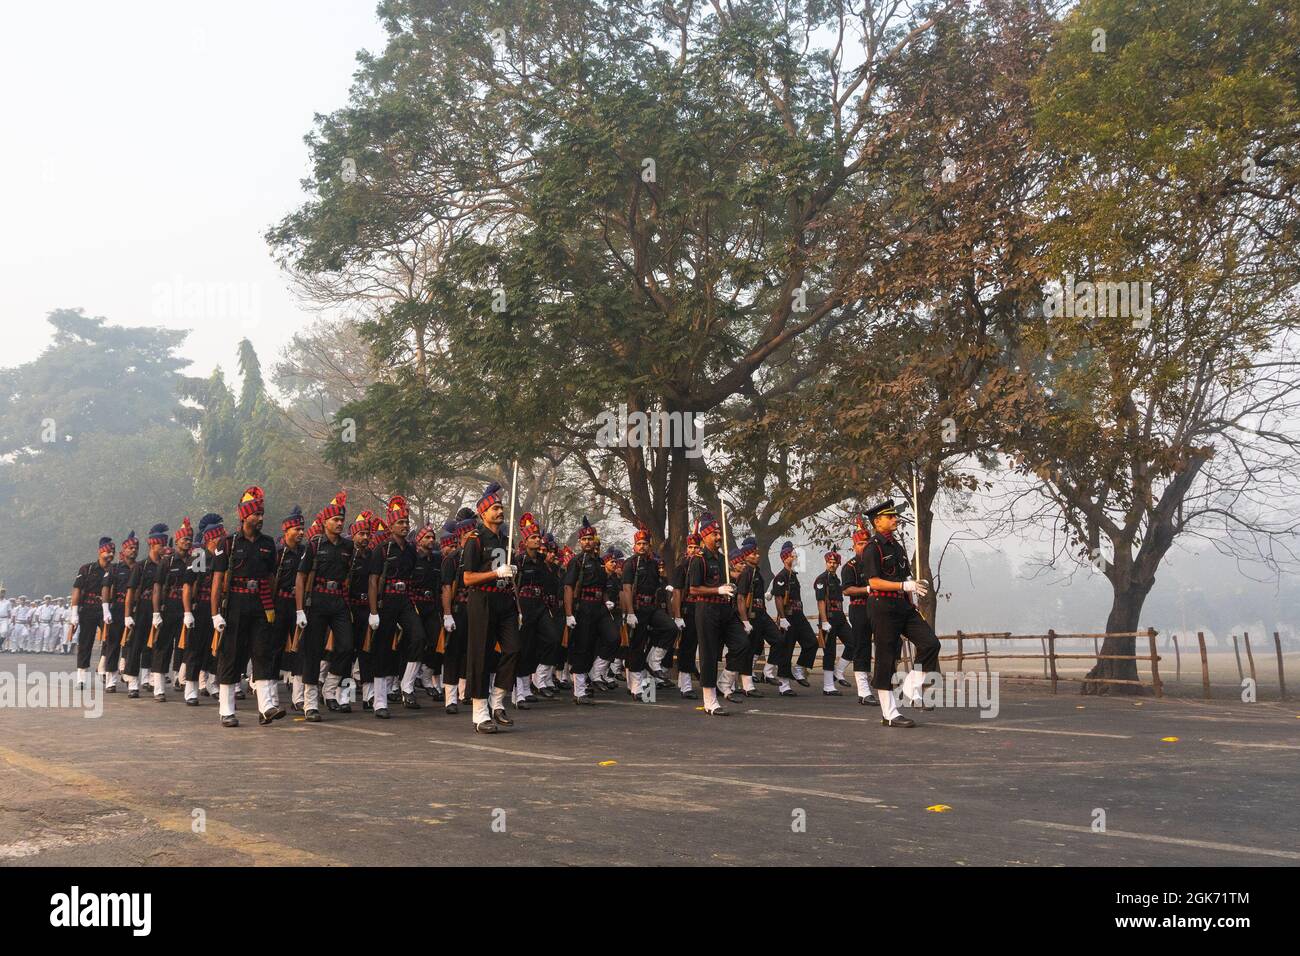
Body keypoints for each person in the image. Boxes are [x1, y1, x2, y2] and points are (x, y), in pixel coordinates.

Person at [862, 500, 941, 728]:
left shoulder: (896, 547)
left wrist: (912, 588)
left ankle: (910, 686)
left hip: (903, 606)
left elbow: (904, 576)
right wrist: (903, 587)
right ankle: (889, 713)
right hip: (883, 607)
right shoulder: (872, 547)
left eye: (895, 516)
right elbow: (874, 581)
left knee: (930, 643)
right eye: (890, 516)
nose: (895, 519)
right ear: (878, 522)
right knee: (886, 658)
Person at [211, 486, 281, 728]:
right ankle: (226, 710)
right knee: (231, 656)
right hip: (235, 605)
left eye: (262, 514)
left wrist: (271, 606)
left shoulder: (269, 543)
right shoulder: (228, 543)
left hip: (260, 604)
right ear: (244, 515)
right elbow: (217, 581)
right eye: (256, 514)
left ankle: (265, 707)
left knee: (262, 653)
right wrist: (215, 614)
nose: (260, 518)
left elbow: (272, 578)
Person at [460, 481, 521, 733]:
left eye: (501, 507)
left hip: (505, 600)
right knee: (481, 656)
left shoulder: (506, 541)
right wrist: (495, 573)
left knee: (514, 649)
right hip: (482, 600)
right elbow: (467, 578)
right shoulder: (474, 540)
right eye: (494, 508)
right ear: (483, 513)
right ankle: (480, 713)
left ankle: (498, 701)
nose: (499, 511)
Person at [686, 511, 752, 716]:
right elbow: (693, 589)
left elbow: (726, 582)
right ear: (705, 536)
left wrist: (731, 584)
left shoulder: (723, 559)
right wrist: (717, 590)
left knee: (742, 643)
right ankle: (710, 701)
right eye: (714, 534)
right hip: (707, 610)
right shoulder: (699, 560)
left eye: (718, 533)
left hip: (725, 609)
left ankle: (725, 681)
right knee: (709, 654)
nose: (718, 537)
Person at [295, 492, 353, 723]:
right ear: (325, 522)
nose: (339, 523)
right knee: (313, 650)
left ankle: (329, 687)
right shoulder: (315, 544)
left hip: (338, 601)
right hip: (317, 600)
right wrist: (300, 608)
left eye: (341, 519)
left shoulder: (348, 546)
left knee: (347, 646)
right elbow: (301, 577)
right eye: (335, 520)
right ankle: (310, 703)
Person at [367, 495, 422, 720]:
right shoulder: (381, 550)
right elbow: (373, 581)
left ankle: (407, 685)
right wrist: (373, 612)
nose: (405, 525)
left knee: (419, 636)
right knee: (382, 650)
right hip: (386, 600)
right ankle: (380, 701)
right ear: (391, 525)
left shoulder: (410, 550)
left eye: (407, 522)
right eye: (400, 522)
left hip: (405, 600)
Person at [563, 516, 616, 704]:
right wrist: (569, 614)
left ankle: (595, 673)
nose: (587, 542)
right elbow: (568, 587)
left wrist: (607, 601)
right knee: (583, 646)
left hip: (599, 606)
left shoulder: (601, 562)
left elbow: (603, 587)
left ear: (595, 540)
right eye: (584, 539)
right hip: (583, 606)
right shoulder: (576, 562)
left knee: (613, 637)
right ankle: (579, 691)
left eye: (590, 539)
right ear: (580, 542)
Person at [622, 524, 676, 699]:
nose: (642, 546)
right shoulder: (630, 563)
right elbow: (627, 589)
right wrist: (630, 612)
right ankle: (638, 688)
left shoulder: (654, 564)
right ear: (634, 546)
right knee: (637, 645)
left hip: (652, 607)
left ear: (649, 546)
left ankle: (653, 660)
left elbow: (660, 588)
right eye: (639, 543)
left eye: (645, 543)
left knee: (671, 628)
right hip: (637, 608)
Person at [738, 536, 795, 696]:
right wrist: (744, 620)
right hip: (752, 616)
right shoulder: (746, 573)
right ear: (746, 555)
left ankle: (768, 672)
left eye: (757, 553)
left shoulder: (756, 572)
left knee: (779, 639)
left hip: (762, 614)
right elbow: (741, 598)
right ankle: (747, 686)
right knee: (750, 650)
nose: (757, 556)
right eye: (753, 554)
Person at [515, 512, 559, 706]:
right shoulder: (519, 560)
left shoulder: (542, 561)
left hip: (540, 605)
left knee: (553, 638)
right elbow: (514, 586)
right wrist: (517, 610)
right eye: (533, 537)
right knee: (524, 647)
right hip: (524, 605)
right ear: (525, 541)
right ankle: (521, 691)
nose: (537, 540)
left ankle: (538, 678)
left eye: (538, 537)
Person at [150, 518, 195, 701]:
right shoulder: (167, 562)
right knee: (163, 647)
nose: (188, 542)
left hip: (187, 609)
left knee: (188, 648)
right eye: (184, 539)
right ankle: (159, 687)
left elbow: (196, 584)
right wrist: (156, 612)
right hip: (169, 607)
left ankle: (188, 688)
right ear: (176, 541)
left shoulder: (195, 560)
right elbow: (157, 588)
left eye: (190, 539)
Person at [182, 515, 222, 705]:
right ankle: (191, 688)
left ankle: (213, 683)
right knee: (195, 648)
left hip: (218, 609)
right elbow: (188, 585)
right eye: (218, 538)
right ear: (210, 539)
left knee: (215, 648)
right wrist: (188, 611)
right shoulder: (200, 555)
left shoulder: (223, 558)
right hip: (200, 608)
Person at [841, 516, 878, 705]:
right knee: (861, 646)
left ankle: (881, 681)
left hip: (878, 608)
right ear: (855, 546)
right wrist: (867, 590)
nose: (864, 546)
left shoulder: (876, 563)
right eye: (860, 543)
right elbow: (847, 590)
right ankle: (863, 691)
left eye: (866, 543)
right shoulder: (850, 567)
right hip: (860, 609)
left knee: (887, 643)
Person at [771, 542, 817, 686]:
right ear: (785, 559)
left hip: (799, 615)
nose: (795, 557)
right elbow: (778, 598)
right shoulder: (781, 576)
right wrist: (783, 618)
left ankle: (798, 668)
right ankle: (784, 686)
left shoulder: (793, 575)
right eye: (792, 556)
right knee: (787, 649)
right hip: (788, 616)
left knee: (811, 642)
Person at [71, 538, 114, 686]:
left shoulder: (114, 570)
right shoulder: (86, 569)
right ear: (100, 552)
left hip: (106, 610)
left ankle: (102, 666)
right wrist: (74, 613)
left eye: (112, 552)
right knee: (85, 642)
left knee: (111, 639)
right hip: (88, 609)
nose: (110, 554)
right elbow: (77, 590)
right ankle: (81, 677)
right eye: (108, 551)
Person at [100, 531, 138, 692]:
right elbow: (106, 588)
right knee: (113, 644)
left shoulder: (139, 568)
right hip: (117, 609)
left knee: (131, 645)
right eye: (130, 548)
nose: (133, 550)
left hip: (134, 610)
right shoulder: (115, 569)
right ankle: (110, 679)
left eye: (136, 548)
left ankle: (130, 676)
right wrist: (106, 609)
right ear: (124, 551)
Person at [813, 548, 853, 696]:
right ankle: (828, 686)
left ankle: (839, 671)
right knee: (829, 652)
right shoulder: (821, 579)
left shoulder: (836, 579)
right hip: (828, 617)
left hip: (840, 617)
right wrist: (824, 621)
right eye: (829, 562)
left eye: (835, 563)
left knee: (853, 643)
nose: (832, 565)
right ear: (826, 563)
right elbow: (821, 601)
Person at [668, 534, 701, 698]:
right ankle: (686, 685)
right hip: (688, 609)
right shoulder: (682, 568)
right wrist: (678, 615)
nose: (693, 550)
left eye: (696, 547)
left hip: (703, 609)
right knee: (687, 647)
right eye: (691, 547)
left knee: (698, 646)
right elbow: (677, 592)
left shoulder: (703, 565)